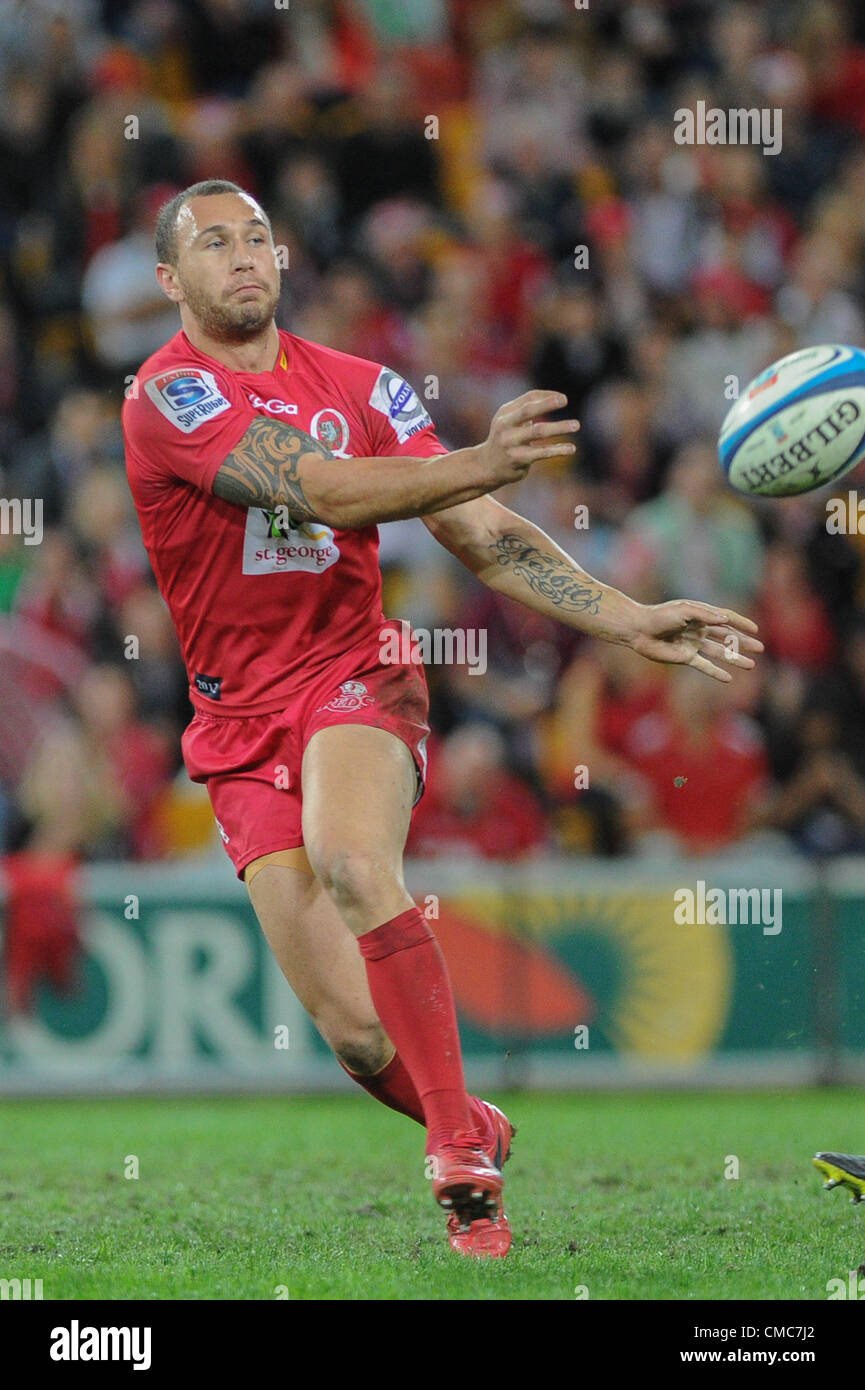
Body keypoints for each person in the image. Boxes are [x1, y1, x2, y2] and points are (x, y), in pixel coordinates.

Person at [121, 178, 762, 1259]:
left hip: (354, 669)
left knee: (354, 861)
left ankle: (463, 1171)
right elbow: (314, 489)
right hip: (237, 721)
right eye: (214, 243)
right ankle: (470, 1124)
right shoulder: (164, 397)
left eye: (259, 238)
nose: (243, 257)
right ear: (167, 279)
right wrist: (475, 460)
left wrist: (626, 618)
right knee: (352, 1030)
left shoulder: (364, 383)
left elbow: (483, 531)